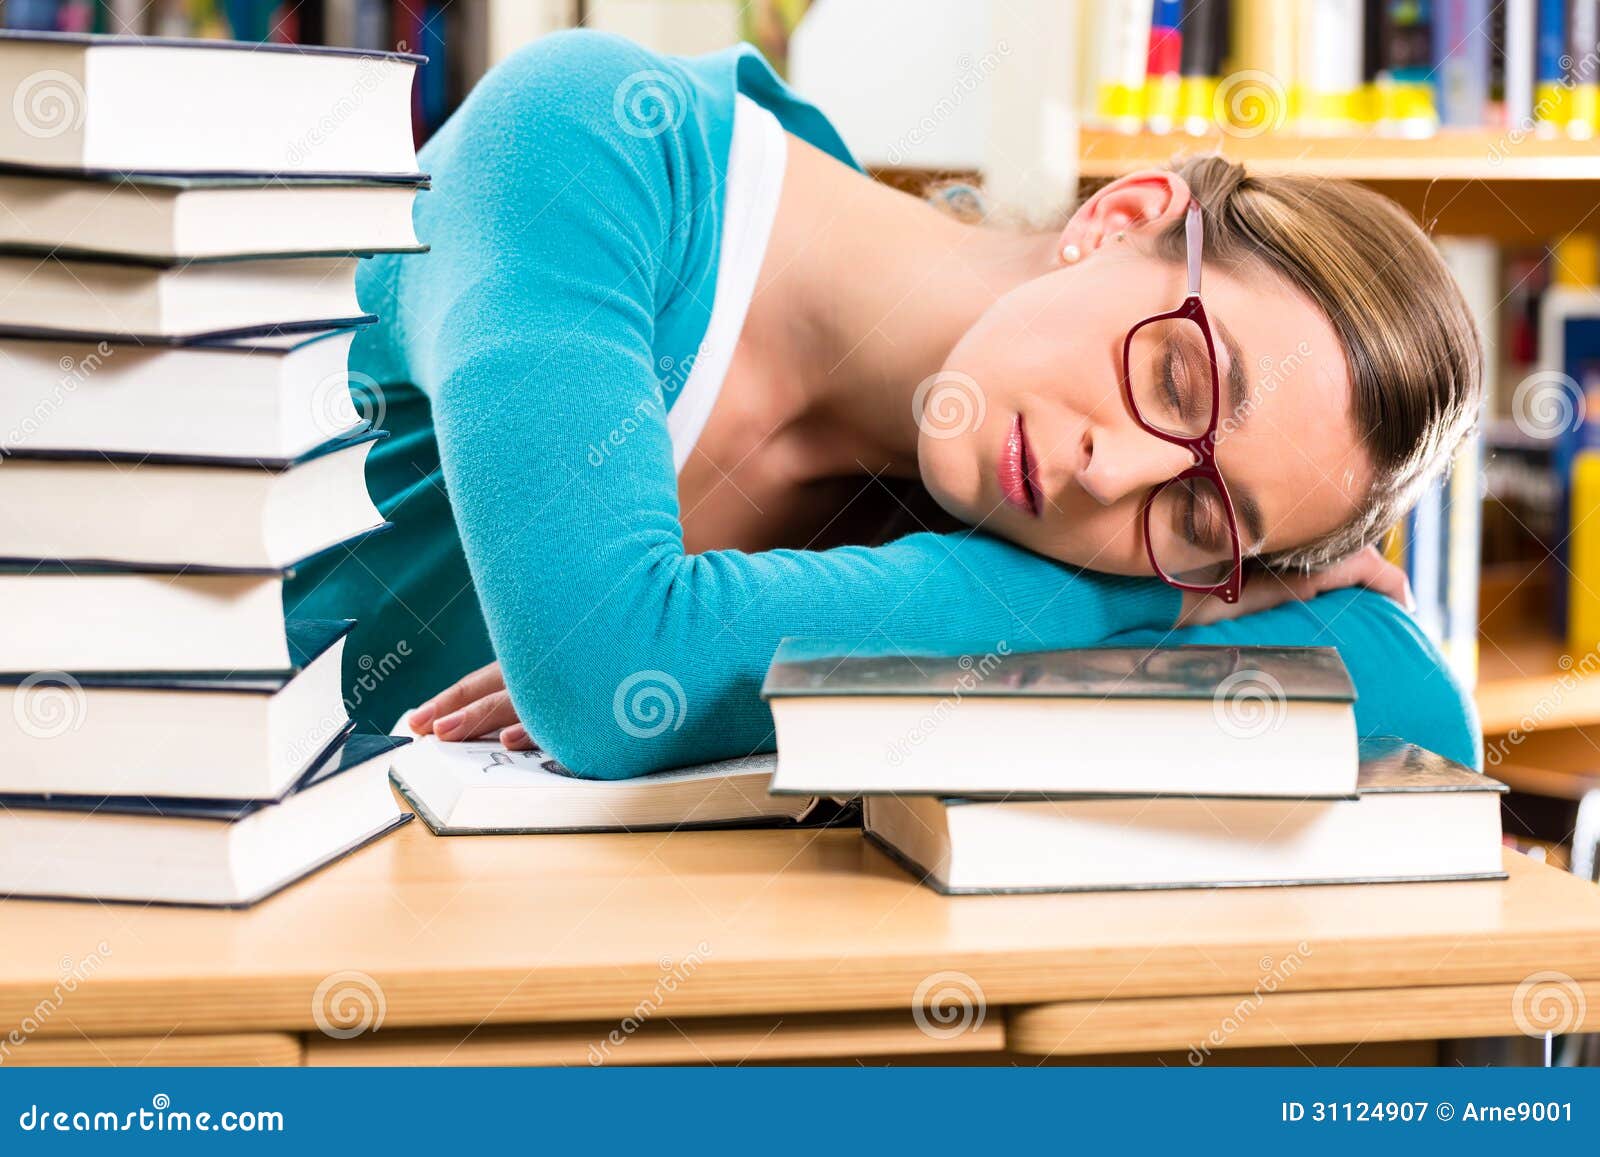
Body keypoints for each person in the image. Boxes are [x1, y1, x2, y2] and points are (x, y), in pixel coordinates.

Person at [287, 30, 1483, 777]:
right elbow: (606, 674)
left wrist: (1152, 584)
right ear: (1119, 218)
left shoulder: (976, 510)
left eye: (1203, 520)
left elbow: (1419, 711)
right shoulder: (587, 139)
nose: (1112, 474)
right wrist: (1121, 598)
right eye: (1177, 379)